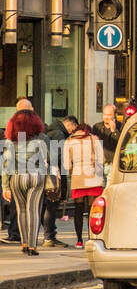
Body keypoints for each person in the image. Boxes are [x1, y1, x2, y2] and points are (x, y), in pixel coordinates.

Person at [2, 99, 52, 256]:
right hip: (35, 176)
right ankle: (32, 245)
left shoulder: (11, 140)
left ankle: (24, 243)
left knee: (21, 210)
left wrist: (5, 186)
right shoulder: (41, 138)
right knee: (33, 211)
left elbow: (7, 164)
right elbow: (49, 159)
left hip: (16, 177)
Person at [61, 117, 104, 249]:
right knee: (94, 210)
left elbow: (67, 165)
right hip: (93, 177)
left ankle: (79, 240)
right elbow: (101, 159)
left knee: (78, 210)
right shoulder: (94, 139)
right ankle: (93, 237)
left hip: (78, 177)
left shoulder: (69, 141)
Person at [41, 116, 77, 248]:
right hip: (54, 174)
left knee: (47, 205)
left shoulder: (50, 131)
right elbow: (59, 157)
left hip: (47, 173)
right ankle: (49, 236)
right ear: (69, 124)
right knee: (52, 205)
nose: (72, 132)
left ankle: (48, 234)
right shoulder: (59, 134)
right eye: (73, 128)